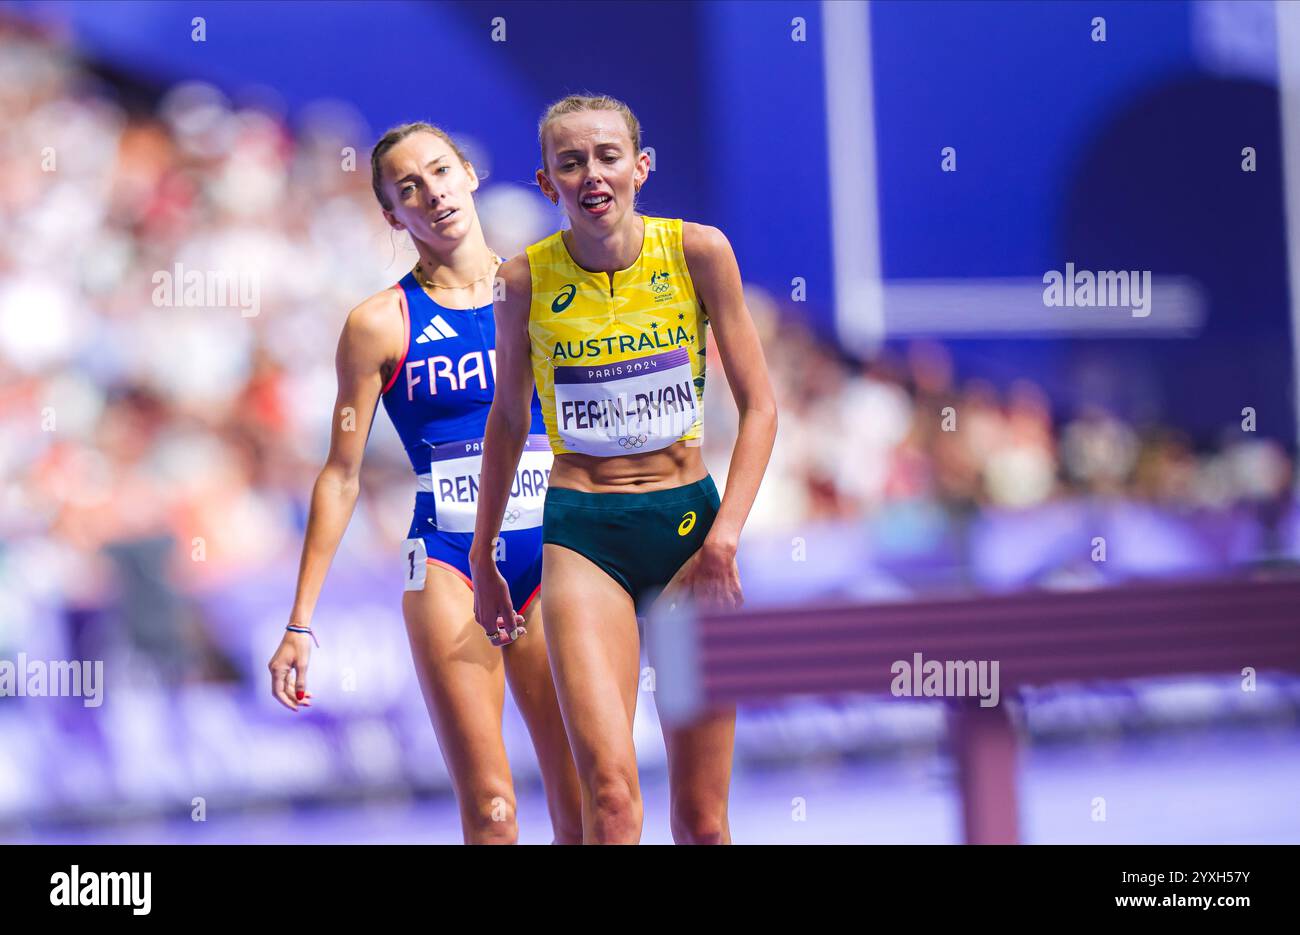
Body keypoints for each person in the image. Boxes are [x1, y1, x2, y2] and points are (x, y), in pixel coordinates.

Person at [469, 95, 777, 844]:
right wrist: (483, 554)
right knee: (609, 799)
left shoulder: (700, 251)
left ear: (640, 167)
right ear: (548, 183)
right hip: (583, 537)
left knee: (702, 819)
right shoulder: (523, 280)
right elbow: (509, 420)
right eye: (570, 162)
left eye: (607, 156)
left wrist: (727, 535)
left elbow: (761, 406)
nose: (591, 173)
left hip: (689, 536)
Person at [267, 122, 581, 844]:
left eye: (440, 171)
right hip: (447, 560)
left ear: (469, 173)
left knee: (585, 795)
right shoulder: (379, 323)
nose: (432, 192)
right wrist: (298, 621)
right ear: (391, 215)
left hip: (554, 552)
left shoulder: (552, 289)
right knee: (493, 808)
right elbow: (340, 475)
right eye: (409, 187)